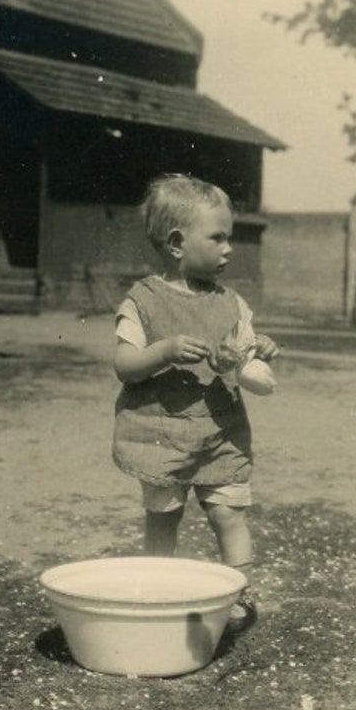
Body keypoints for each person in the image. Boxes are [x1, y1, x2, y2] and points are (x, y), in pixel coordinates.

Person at [112, 173, 279, 626]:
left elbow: (241, 351)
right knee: (163, 519)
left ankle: (239, 595)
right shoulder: (143, 301)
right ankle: (157, 592)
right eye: (218, 238)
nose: (229, 249)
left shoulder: (231, 303)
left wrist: (258, 347)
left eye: (230, 238)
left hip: (220, 433)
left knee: (228, 514)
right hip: (161, 435)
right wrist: (164, 351)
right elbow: (124, 364)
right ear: (176, 243)